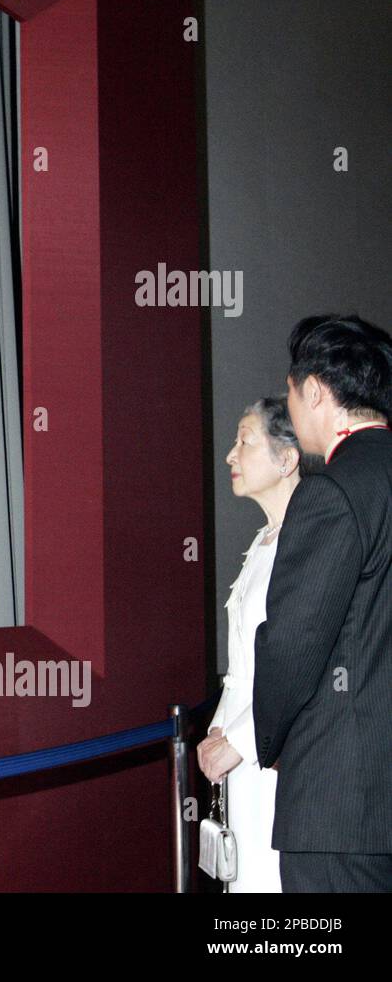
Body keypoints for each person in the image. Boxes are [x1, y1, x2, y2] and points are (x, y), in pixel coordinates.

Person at [253, 314, 392, 892]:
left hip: (342, 801)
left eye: (290, 391)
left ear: (314, 389)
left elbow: (293, 642)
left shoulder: (332, 490)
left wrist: (273, 739)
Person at [198, 397, 305, 892]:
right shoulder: (264, 539)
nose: (230, 455)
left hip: (279, 751)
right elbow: (243, 668)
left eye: (245, 440)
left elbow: (300, 662)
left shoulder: (305, 542)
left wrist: (237, 742)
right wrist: (219, 728)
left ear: (287, 458)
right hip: (242, 751)